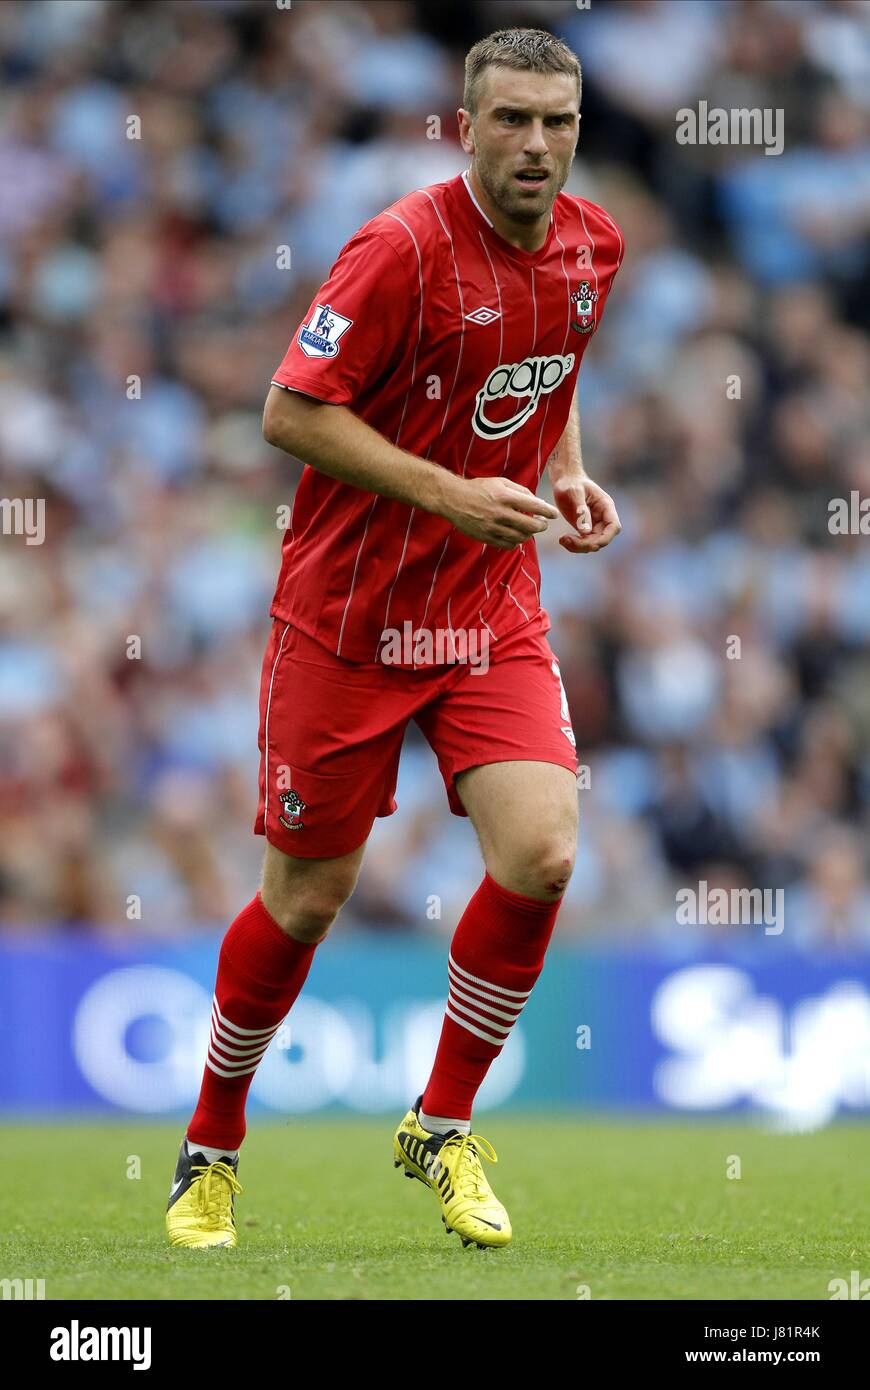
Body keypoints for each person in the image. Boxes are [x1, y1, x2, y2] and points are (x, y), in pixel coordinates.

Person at [166, 26, 624, 1251]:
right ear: (465, 126)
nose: (538, 144)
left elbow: (549, 367)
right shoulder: (400, 249)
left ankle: (442, 1122)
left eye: (559, 122)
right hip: (350, 623)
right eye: (513, 120)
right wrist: (446, 491)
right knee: (308, 900)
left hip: (487, 610)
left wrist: (565, 472)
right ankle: (211, 1142)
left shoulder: (596, 244)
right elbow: (286, 412)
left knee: (543, 853)